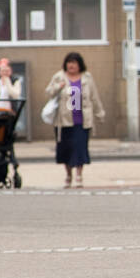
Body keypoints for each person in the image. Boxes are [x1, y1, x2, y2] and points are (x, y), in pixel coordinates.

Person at [46, 52, 105, 188]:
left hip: (82, 120)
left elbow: (94, 97)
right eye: (69, 62)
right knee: (66, 149)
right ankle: (68, 175)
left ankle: (79, 174)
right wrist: (58, 87)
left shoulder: (87, 78)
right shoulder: (59, 77)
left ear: (80, 65)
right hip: (64, 120)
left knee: (80, 148)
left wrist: (99, 113)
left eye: (74, 63)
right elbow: (49, 92)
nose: (71, 65)